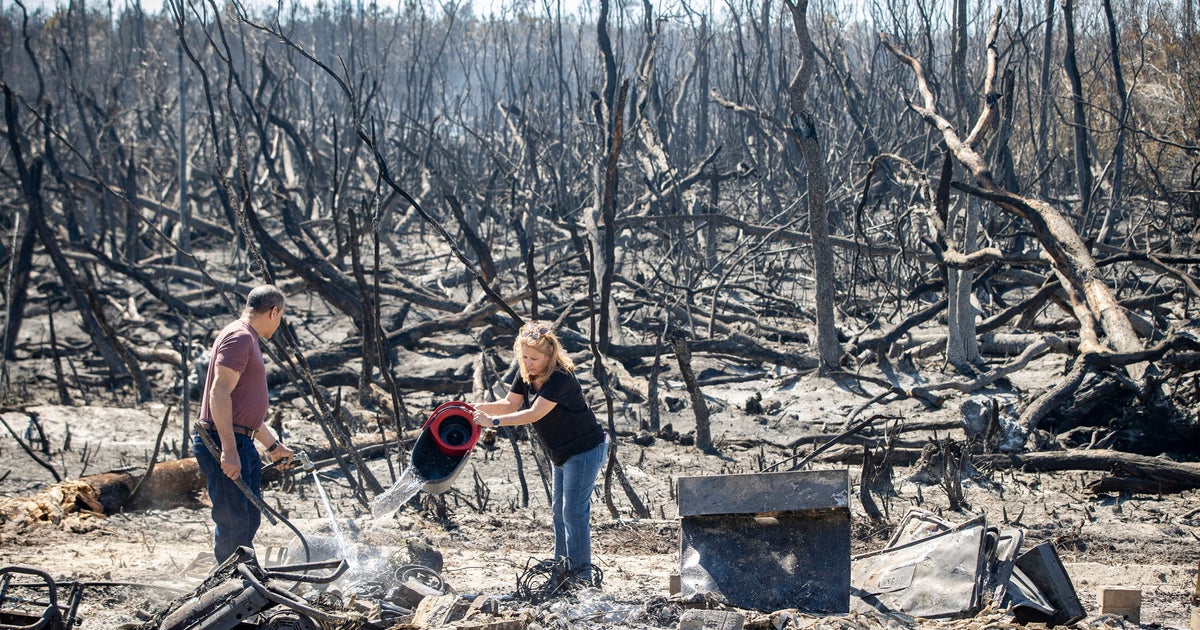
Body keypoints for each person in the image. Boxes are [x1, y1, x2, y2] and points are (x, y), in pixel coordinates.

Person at [471, 320, 609, 584]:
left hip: (584, 450)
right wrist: (472, 407)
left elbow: (534, 413)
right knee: (559, 513)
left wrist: (493, 422)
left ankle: (582, 578)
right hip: (560, 453)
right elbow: (509, 404)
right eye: (524, 357)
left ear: (549, 356)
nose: (528, 363)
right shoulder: (526, 374)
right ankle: (561, 573)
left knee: (573, 513)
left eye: (534, 358)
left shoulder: (561, 377)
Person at [192, 284, 295, 563]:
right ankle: (231, 580)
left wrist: (273, 447)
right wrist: (228, 450)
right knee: (234, 519)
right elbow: (219, 393)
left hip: (240, 439)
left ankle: (244, 574)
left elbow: (242, 410)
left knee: (248, 517)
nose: (279, 322)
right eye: (281, 316)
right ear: (273, 312)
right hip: (222, 439)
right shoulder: (239, 337)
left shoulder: (246, 338)